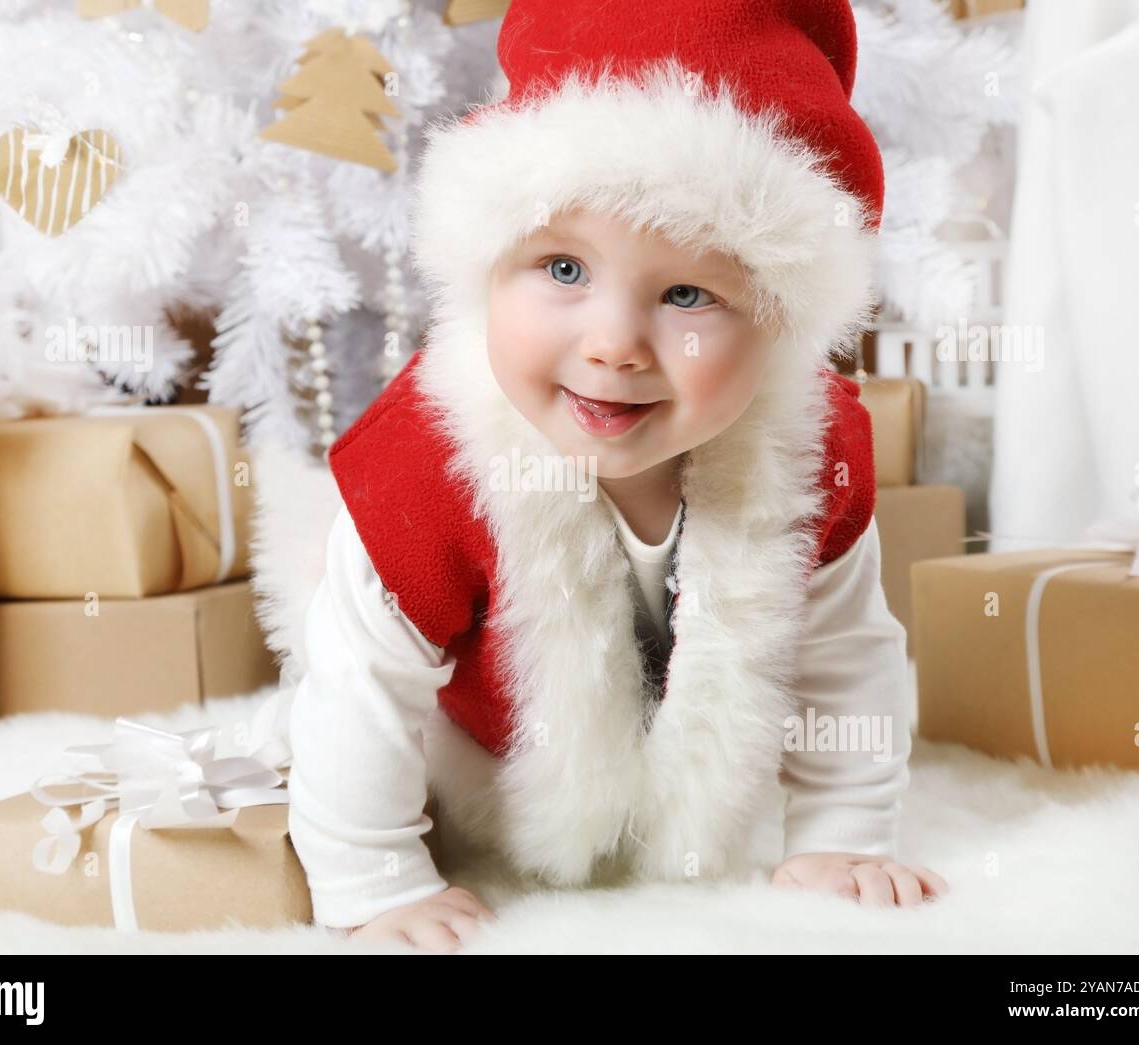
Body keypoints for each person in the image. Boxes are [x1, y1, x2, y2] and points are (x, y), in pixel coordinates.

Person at [288, 0, 949, 953]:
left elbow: (846, 653)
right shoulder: (430, 457)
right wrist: (374, 879)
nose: (611, 346)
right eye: (562, 267)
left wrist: (841, 839)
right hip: (477, 761)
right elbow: (360, 682)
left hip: (658, 757)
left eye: (688, 294)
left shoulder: (813, 449)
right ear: (487, 265)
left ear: (781, 320)